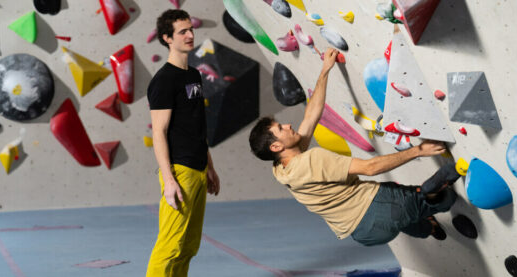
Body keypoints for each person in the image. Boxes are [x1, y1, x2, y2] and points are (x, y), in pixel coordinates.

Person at [247, 48, 460, 246]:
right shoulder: (312, 159)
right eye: (280, 128)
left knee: (404, 217)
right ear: (276, 146)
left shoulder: (281, 169)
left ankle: (428, 229)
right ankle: (428, 195)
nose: (288, 125)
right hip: (378, 208)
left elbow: (311, 116)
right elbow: (370, 168)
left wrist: (325, 71)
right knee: (437, 199)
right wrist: (418, 150)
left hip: (362, 234)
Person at [146, 9, 219, 277]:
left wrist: (209, 167)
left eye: (190, 29)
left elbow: (196, 127)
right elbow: (159, 133)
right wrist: (169, 180)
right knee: (170, 246)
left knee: (188, 247)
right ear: (167, 38)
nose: (190, 35)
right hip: (180, 172)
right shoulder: (163, 81)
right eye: (182, 32)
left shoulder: (194, 76)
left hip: (198, 169)